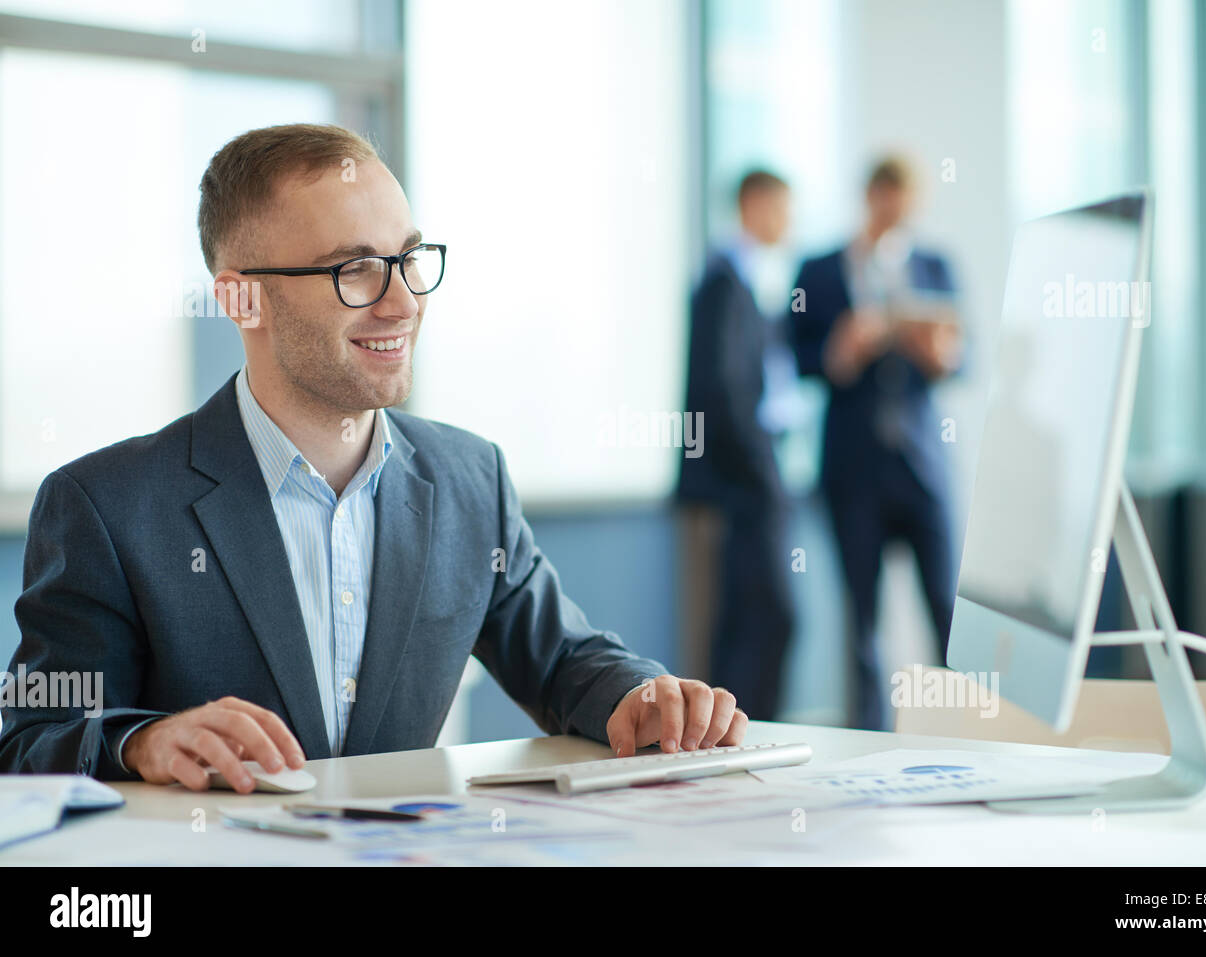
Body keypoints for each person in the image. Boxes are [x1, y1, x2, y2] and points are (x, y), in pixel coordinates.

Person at [0, 123, 748, 790]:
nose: (403, 302)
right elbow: (29, 737)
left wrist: (642, 698)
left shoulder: (468, 478)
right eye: (353, 269)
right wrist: (141, 739)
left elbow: (559, 660)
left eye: (410, 257)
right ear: (241, 301)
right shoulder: (107, 505)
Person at [790, 155, 963, 731]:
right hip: (852, 469)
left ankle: (965, 731)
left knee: (948, 610)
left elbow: (965, 358)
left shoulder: (937, 266)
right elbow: (797, 357)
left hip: (923, 465)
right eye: (888, 198)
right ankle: (869, 738)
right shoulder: (818, 270)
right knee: (860, 621)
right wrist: (841, 351)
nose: (897, 212)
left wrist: (940, 357)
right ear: (870, 197)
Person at [677, 170, 795, 721]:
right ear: (754, 204)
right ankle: (750, 730)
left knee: (747, 621)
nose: (788, 223)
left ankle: (733, 729)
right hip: (742, 486)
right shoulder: (726, 281)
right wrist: (763, 471)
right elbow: (723, 392)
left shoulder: (741, 280)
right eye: (781, 209)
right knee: (766, 619)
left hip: (748, 481)